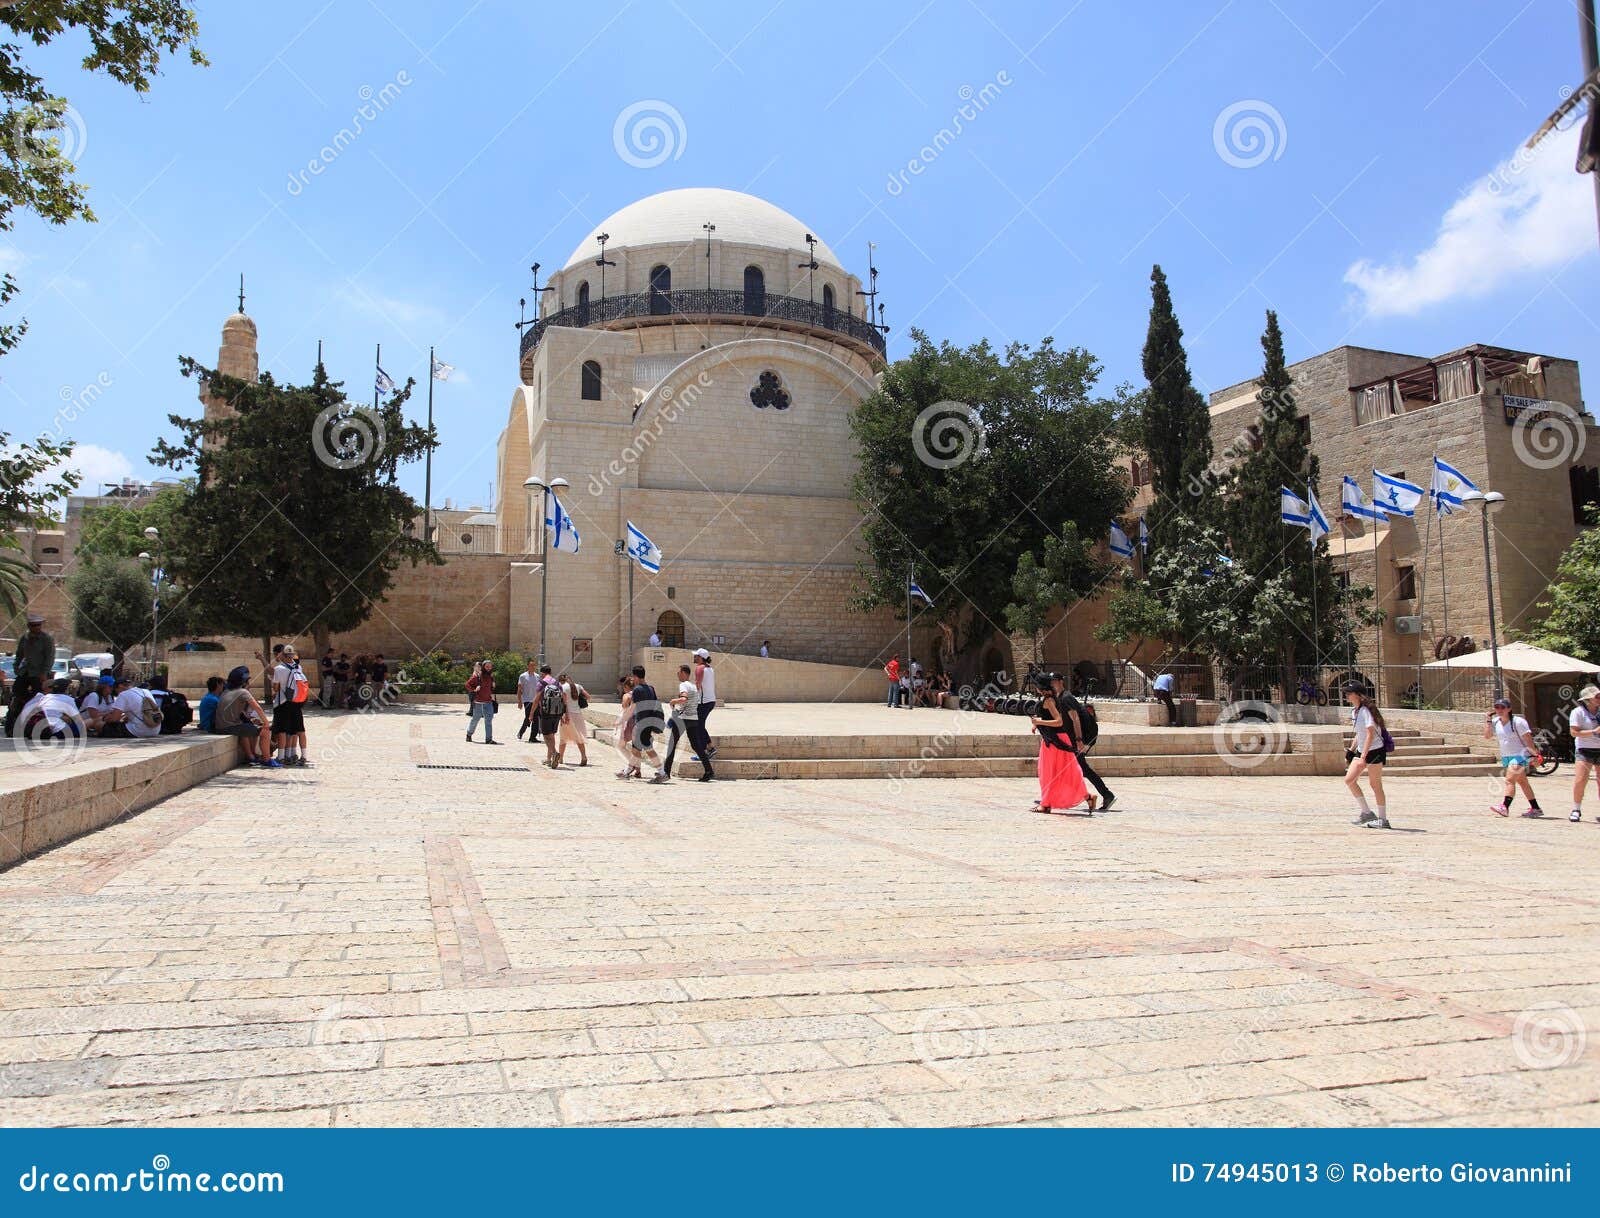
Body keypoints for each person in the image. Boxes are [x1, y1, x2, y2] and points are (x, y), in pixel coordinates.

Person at [1050, 672, 1115, 811]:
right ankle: (1100, 794)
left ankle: (1104, 794)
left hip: (1078, 740)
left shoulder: (1066, 698)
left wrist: (1079, 740)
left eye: (1055, 681)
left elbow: (1076, 719)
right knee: (1078, 769)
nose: (1053, 683)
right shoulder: (1060, 697)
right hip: (1072, 740)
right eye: (1051, 681)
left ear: (1061, 681)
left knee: (1081, 768)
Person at [1028, 680, 1091, 814]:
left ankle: (1045, 804)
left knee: (1049, 772)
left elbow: (1058, 721)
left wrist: (1039, 721)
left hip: (1056, 741)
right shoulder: (1051, 699)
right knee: (1062, 772)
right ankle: (1088, 797)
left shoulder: (1049, 701)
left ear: (1041, 688)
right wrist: (1037, 724)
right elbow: (1048, 716)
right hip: (1054, 740)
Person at [1344, 683, 1391, 829]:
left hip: (1375, 750)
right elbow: (1360, 733)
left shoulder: (1366, 711)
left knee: (1375, 784)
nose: (1346, 695)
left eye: (1348, 693)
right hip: (1361, 750)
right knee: (1349, 780)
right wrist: (1351, 751)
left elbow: (1370, 733)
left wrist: (1363, 756)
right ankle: (1366, 812)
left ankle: (1383, 819)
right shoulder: (1354, 711)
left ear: (1357, 694)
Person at [1485, 698, 1541, 818]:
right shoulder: (1495, 722)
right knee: (1523, 782)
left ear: (1509, 709)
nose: (1499, 710)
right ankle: (1535, 808)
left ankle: (1505, 807)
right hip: (1506, 756)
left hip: (1520, 755)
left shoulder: (1518, 722)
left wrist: (1534, 755)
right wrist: (1489, 721)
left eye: (1502, 707)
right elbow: (1488, 736)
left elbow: (1528, 739)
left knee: (1509, 780)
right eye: (1497, 707)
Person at [215, 666, 277, 766]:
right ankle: (267, 759)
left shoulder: (225, 692)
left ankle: (252, 757)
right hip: (229, 727)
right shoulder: (243, 692)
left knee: (248, 728)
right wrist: (266, 723)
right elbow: (258, 708)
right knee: (265, 731)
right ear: (243, 682)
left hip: (220, 727)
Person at [7, 612, 54, 736]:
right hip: (25, 672)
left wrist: (44, 673)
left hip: (38, 673)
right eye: (33, 625)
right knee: (17, 694)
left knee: (38, 698)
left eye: (38, 625)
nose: (36, 627)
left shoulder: (46, 639)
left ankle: (34, 725)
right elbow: (19, 655)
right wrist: (16, 668)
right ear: (29, 626)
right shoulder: (25, 638)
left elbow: (49, 657)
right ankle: (13, 726)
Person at [624, 665, 668, 783]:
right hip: (648, 722)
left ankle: (662, 773)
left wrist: (622, 720)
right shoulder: (651, 688)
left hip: (641, 723)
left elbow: (633, 707)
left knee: (648, 749)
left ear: (635, 676)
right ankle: (626, 771)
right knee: (636, 748)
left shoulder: (638, 689)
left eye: (633, 676)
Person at [271, 646, 310, 766]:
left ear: (283, 655)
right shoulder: (298, 667)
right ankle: (301, 756)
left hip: (283, 703)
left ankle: (282, 757)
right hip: (296, 702)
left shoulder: (278, 669)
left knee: (282, 730)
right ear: (293, 655)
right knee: (297, 730)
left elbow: (276, 688)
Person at [1568, 684, 1600, 822]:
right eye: (1597, 696)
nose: (1599, 698)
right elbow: (1574, 732)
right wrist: (1594, 732)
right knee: (1581, 780)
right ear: (1588, 699)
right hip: (1584, 749)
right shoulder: (1578, 712)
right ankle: (1576, 809)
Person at [18, 679, 83, 741]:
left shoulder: (44, 698)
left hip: (43, 729)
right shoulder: (67, 699)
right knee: (87, 722)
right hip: (58, 731)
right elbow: (78, 719)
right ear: (67, 689)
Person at [113, 675, 164, 739]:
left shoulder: (123, 694)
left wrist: (105, 718)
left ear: (119, 686)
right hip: (155, 730)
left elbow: (115, 718)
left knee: (101, 725)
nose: (117, 694)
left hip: (138, 731)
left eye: (116, 691)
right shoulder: (146, 691)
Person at [536, 664, 566, 769]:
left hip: (545, 713)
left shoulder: (541, 683)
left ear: (542, 673)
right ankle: (549, 759)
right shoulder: (557, 683)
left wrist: (531, 713)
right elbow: (563, 697)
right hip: (557, 713)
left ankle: (554, 753)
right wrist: (563, 713)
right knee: (551, 735)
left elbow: (537, 699)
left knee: (546, 735)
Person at [558, 672, 589, 767]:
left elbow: (564, 703)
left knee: (563, 737)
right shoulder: (578, 686)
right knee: (579, 736)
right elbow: (588, 697)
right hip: (578, 714)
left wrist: (564, 715)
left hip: (567, 714)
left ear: (561, 681)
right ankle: (583, 756)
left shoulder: (562, 688)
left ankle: (561, 758)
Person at [465, 660, 499, 744]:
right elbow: (467, 684)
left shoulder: (491, 676)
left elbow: (490, 688)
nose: (488, 668)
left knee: (488, 720)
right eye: (487, 666)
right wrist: (473, 690)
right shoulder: (478, 676)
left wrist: (493, 686)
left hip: (488, 701)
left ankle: (488, 739)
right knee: (476, 719)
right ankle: (469, 734)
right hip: (478, 702)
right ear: (483, 667)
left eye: (490, 666)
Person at [692, 648, 718, 759]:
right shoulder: (710, 668)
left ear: (701, 658)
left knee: (698, 726)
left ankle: (704, 752)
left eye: (696, 656)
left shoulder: (699, 668)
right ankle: (710, 748)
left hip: (703, 702)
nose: (694, 657)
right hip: (711, 701)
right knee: (699, 725)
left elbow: (697, 686)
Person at [516, 659, 542, 742]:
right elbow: (519, 689)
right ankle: (521, 731)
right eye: (531, 665)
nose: (533, 667)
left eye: (534, 665)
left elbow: (540, 689)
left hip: (536, 700)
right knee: (528, 718)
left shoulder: (537, 676)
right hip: (527, 700)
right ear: (528, 666)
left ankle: (532, 737)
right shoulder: (523, 676)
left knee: (536, 718)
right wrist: (519, 701)